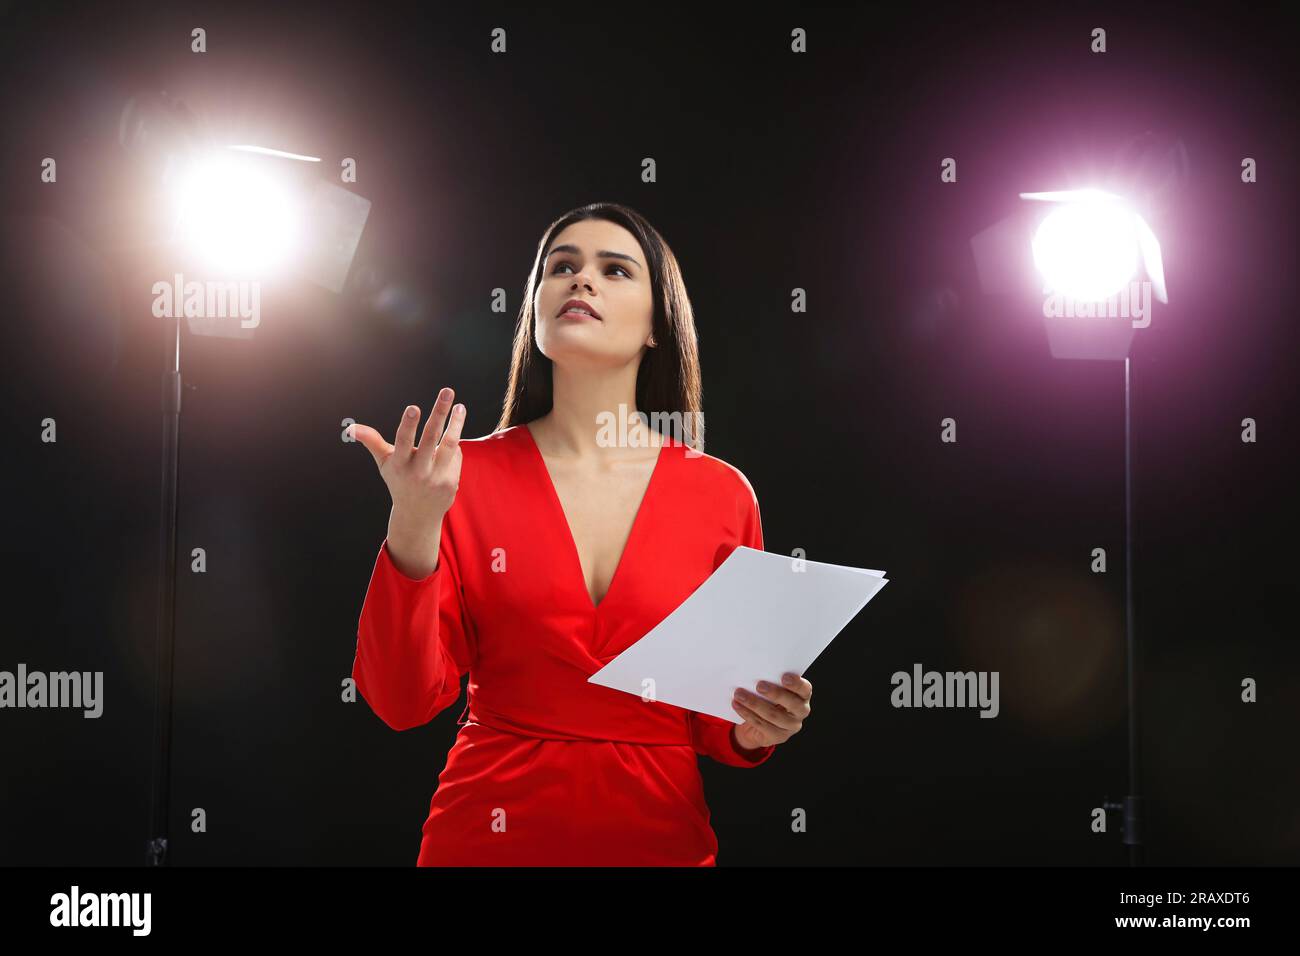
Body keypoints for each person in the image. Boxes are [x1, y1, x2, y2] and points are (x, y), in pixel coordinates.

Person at [349, 202, 813, 866]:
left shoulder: (721, 494)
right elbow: (399, 702)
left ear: (658, 326)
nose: (580, 280)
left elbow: (723, 724)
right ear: (535, 308)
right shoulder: (458, 477)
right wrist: (413, 524)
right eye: (561, 266)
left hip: (661, 842)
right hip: (485, 839)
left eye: (614, 269)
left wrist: (761, 721)